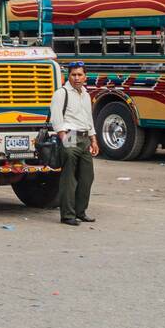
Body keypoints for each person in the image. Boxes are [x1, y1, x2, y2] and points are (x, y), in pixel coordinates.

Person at [49, 61, 99, 226]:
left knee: (87, 176)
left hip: (84, 137)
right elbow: (57, 119)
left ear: (86, 77)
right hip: (69, 136)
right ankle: (67, 215)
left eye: (80, 75)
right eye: (73, 75)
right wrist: (64, 139)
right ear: (68, 76)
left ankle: (80, 211)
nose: (77, 78)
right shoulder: (61, 93)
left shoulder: (85, 93)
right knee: (69, 177)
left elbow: (88, 118)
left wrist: (93, 139)